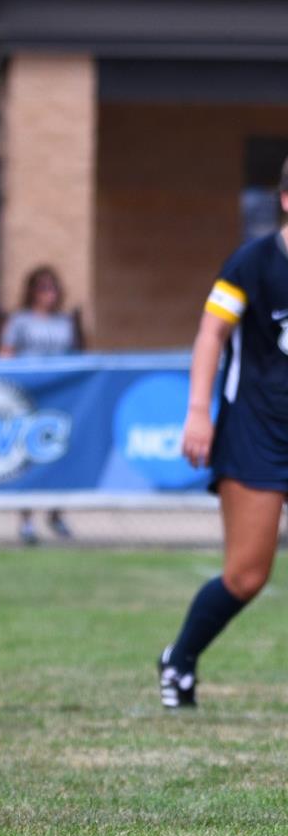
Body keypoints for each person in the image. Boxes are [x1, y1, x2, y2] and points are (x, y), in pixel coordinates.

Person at [157, 159, 288, 711]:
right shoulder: (253, 262)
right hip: (257, 429)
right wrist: (198, 412)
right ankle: (180, 658)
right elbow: (212, 333)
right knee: (246, 575)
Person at [0, 266, 81, 544]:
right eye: (43, 287)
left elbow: (77, 357)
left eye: (53, 287)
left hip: (59, 397)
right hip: (30, 397)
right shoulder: (20, 321)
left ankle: (56, 514)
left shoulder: (65, 322)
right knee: (29, 453)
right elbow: (5, 356)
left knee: (58, 452)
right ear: (32, 290)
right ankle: (26, 519)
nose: (49, 293)